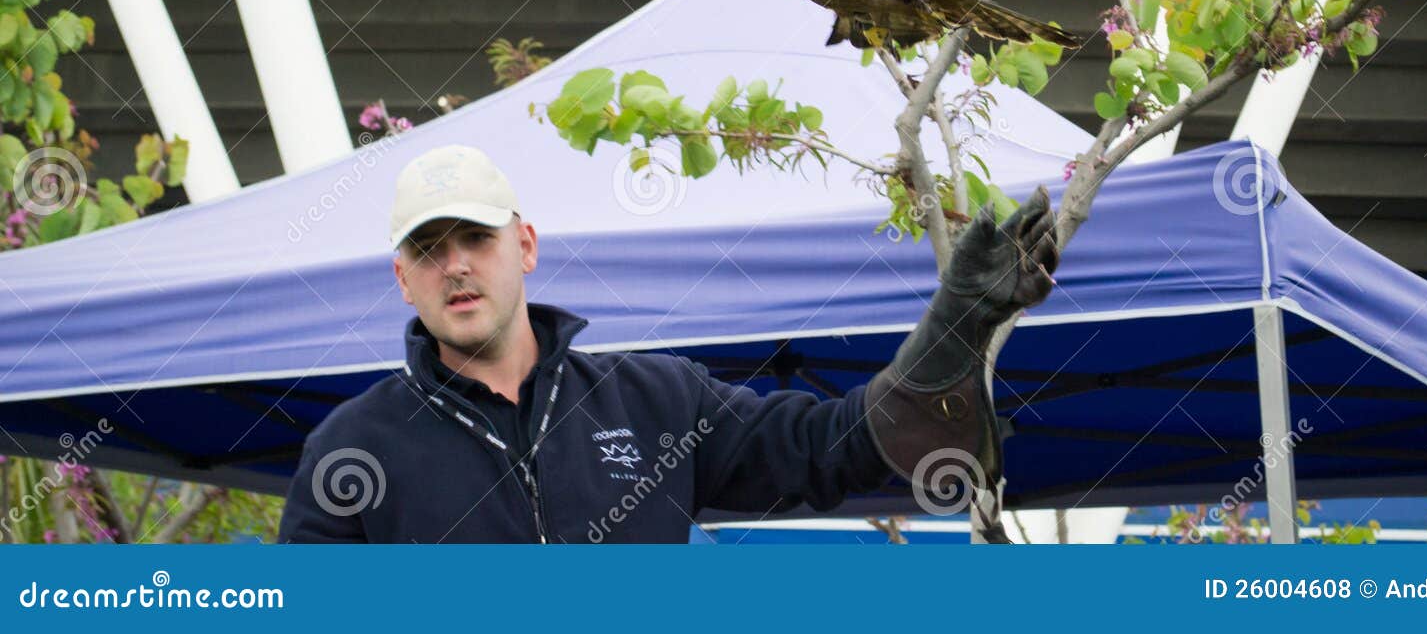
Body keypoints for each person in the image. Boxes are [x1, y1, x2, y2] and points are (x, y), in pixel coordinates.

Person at [277, 143, 1061, 543]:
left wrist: (953, 329)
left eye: (474, 237)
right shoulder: (354, 450)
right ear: (401, 278)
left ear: (524, 244)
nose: (454, 263)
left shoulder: (655, 402)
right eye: (427, 248)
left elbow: (829, 447)